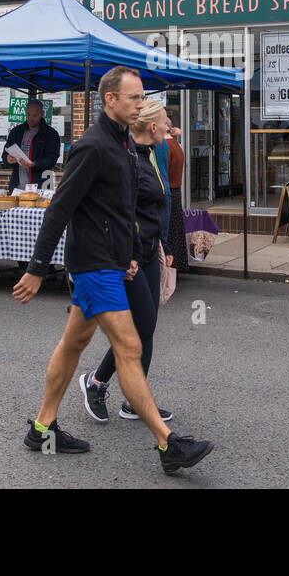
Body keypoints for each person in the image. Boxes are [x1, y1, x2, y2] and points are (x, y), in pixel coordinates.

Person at [12, 66, 213, 475]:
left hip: (110, 260)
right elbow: (60, 209)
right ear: (111, 99)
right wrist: (36, 267)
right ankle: (167, 443)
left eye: (142, 98)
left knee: (72, 346)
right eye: (135, 97)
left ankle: (42, 427)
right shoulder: (93, 146)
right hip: (94, 265)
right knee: (130, 346)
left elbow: (119, 210)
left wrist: (129, 253)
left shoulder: (122, 143)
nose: (141, 104)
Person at [80, 100, 175, 423]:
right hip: (130, 256)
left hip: (149, 252)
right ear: (151, 126)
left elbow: (160, 204)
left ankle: (134, 400)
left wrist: (165, 244)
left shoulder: (150, 154)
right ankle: (96, 381)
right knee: (141, 328)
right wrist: (127, 255)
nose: (169, 127)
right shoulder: (129, 158)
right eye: (165, 122)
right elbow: (123, 211)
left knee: (144, 329)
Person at [4, 99, 61, 192]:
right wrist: (7, 159)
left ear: (42, 114)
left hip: (41, 187)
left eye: (35, 115)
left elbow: (52, 160)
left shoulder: (51, 134)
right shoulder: (16, 132)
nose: (31, 118)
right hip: (17, 188)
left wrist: (34, 164)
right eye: (28, 114)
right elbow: (5, 153)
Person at [165, 124, 187, 273]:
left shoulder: (165, 147)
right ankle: (177, 265)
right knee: (176, 231)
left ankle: (170, 267)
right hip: (177, 191)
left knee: (169, 232)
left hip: (169, 191)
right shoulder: (176, 145)